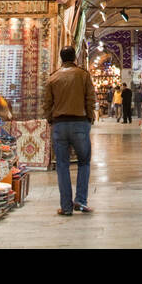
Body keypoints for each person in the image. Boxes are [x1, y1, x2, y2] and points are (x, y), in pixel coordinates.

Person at [43, 47, 96, 216]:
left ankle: (66, 207)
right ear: (75, 57)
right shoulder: (83, 75)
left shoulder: (53, 78)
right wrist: (90, 117)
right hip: (80, 123)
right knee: (84, 162)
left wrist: (51, 119)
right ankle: (80, 200)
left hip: (59, 124)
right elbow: (90, 98)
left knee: (62, 166)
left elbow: (47, 104)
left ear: (61, 58)